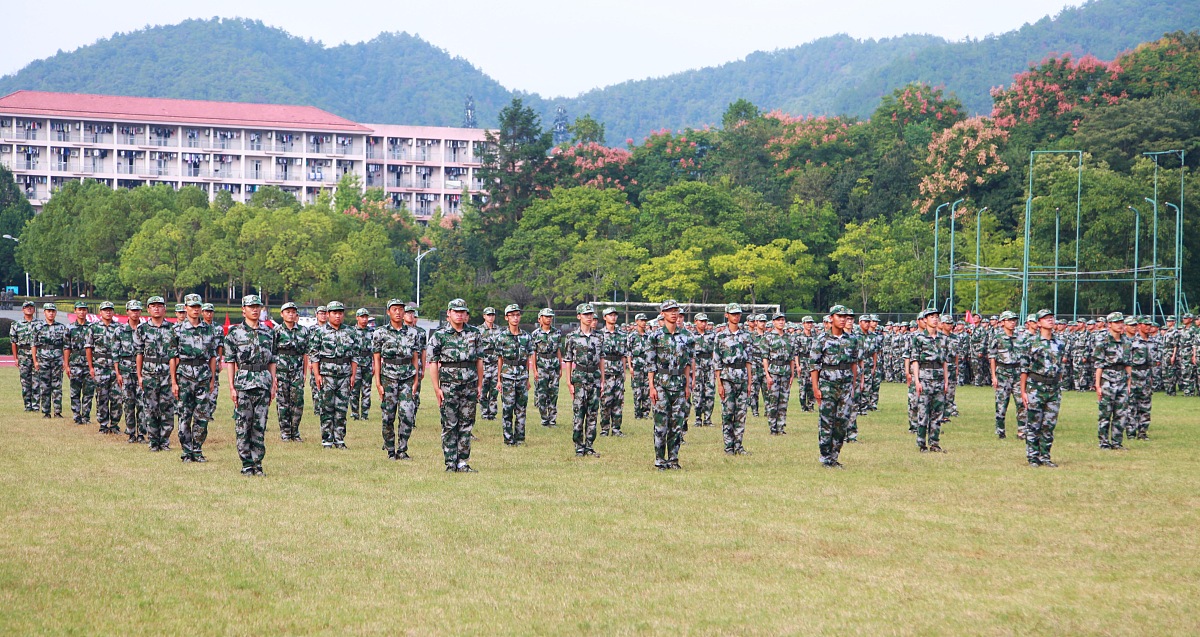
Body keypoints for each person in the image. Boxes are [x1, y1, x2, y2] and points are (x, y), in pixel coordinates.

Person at [223, 295, 277, 476]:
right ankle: (246, 464)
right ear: (243, 310)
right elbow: (230, 361)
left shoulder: (268, 333)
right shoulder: (234, 333)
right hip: (244, 384)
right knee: (243, 425)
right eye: (251, 307)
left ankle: (257, 463)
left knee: (259, 425)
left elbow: (272, 361)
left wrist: (273, 383)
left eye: (257, 306)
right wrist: (231, 386)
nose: (255, 310)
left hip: (263, 382)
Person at [429, 298, 485, 472]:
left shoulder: (474, 333)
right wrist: (437, 388)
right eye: (456, 311)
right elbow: (432, 362)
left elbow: (479, 360)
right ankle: (450, 463)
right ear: (449, 313)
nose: (459, 315)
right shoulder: (439, 335)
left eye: (462, 312)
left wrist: (480, 385)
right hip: (448, 385)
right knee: (449, 425)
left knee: (466, 424)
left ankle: (462, 462)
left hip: (469, 384)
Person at [171, 294, 220, 462]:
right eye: (192, 307)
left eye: (198, 306)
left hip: (203, 375)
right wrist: (173, 381)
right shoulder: (177, 330)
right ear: (186, 308)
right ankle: (186, 452)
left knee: (202, 416)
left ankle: (197, 450)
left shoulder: (209, 329)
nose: (196, 309)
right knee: (184, 415)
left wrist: (212, 379)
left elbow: (213, 356)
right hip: (184, 375)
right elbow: (173, 357)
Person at [647, 299, 693, 470]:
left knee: (677, 424)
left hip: (680, 383)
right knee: (661, 424)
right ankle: (660, 459)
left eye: (676, 310)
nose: (674, 313)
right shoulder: (655, 336)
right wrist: (651, 386)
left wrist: (687, 385)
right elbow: (651, 364)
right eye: (670, 310)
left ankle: (673, 459)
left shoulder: (687, 337)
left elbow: (687, 363)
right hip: (661, 384)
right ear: (663, 314)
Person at [810, 305, 858, 468]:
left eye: (845, 316)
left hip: (845, 386)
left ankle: (834, 456)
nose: (843, 319)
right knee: (826, 421)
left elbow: (853, 364)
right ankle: (825, 457)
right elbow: (814, 365)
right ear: (831, 318)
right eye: (840, 316)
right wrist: (816, 388)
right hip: (828, 385)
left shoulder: (852, 339)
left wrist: (853, 385)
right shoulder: (821, 339)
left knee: (842, 422)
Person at [373, 299, 421, 460]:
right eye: (395, 309)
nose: (398, 312)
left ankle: (402, 449)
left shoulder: (412, 333)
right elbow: (377, 359)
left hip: (407, 376)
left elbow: (415, 357)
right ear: (388, 312)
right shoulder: (380, 333)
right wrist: (378, 383)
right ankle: (390, 449)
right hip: (388, 377)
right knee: (388, 416)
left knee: (407, 414)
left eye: (401, 309)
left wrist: (416, 380)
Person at [311, 301, 359, 449]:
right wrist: (317, 375)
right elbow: (314, 355)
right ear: (328, 314)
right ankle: (326, 439)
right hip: (327, 375)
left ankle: (339, 439)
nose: (337, 316)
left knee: (342, 408)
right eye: (334, 313)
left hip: (344, 375)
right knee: (326, 408)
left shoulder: (350, 332)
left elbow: (355, 355)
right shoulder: (319, 332)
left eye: (340, 313)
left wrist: (353, 375)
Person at [1020, 309, 1064, 467]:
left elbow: (1060, 367)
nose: (1050, 320)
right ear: (1038, 323)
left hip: (1053, 388)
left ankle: (1045, 456)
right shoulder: (1030, 343)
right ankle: (1033, 457)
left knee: (1049, 424)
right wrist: (1023, 392)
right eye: (1045, 318)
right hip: (1035, 387)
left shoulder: (1059, 343)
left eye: (1051, 317)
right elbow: (1024, 369)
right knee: (1034, 423)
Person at [136, 296, 177, 452]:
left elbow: (174, 355)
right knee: (150, 408)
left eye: (160, 306)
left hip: (167, 373)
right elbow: (139, 353)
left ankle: (165, 441)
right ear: (148, 309)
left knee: (167, 409)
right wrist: (139, 375)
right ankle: (153, 441)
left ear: (164, 309)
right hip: (149, 373)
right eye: (153, 306)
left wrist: (174, 378)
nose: (157, 308)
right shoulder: (142, 329)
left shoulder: (172, 329)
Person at [563, 303, 603, 457]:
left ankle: (590, 446)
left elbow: (601, 360)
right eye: (585, 314)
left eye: (590, 314)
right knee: (579, 412)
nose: (589, 317)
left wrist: (603, 380)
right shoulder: (572, 337)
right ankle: (579, 446)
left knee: (593, 413)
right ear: (578, 316)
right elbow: (568, 360)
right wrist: (569, 381)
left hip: (594, 377)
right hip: (579, 378)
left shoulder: (599, 337)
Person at [715, 303, 753, 455]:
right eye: (733, 314)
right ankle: (728, 446)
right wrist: (719, 384)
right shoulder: (720, 336)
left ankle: (738, 445)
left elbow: (749, 361)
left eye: (738, 314)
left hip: (742, 376)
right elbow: (717, 362)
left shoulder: (746, 336)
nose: (736, 316)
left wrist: (750, 382)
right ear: (727, 315)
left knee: (741, 413)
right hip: (727, 377)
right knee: (728, 412)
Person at [910, 308, 949, 453]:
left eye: (936, 317)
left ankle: (934, 443)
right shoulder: (918, 338)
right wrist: (917, 381)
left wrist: (946, 380)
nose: (935, 319)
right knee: (923, 412)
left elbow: (945, 361)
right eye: (931, 317)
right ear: (925, 320)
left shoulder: (943, 338)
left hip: (938, 376)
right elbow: (915, 361)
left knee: (937, 413)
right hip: (924, 377)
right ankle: (921, 443)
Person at [495, 304, 533, 446]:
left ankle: (520, 437)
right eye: (512, 315)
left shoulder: (526, 337)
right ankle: (508, 438)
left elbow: (528, 358)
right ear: (506, 318)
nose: (515, 318)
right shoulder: (502, 337)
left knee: (521, 408)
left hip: (522, 376)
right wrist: (499, 379)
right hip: (507, 376)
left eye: (517, 315)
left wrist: (528, 378)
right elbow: (499, 359)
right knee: (507, 408)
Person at [1093, 311, 1132, 450]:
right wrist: (1098, 385)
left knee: (1121, 413)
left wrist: (1129, 383)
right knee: (1105, 413)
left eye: (1121, 322)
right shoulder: (1103, 341)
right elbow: (1099, 364)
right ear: (1109, 324)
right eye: (1117, 322)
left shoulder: (1126, 341)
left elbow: (1128, 364)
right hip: (1107, 379)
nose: (1120, 325)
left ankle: (1117, 442)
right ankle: (1103, 442)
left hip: (1121, 378)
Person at [273, 302, 309, 442]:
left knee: (297, 402)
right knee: (283, 402)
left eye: (293, 312)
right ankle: (285, 432)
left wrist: (305, 373)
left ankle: (295, 431)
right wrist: (274, 375)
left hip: (297, 372)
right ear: (282, 314)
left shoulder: (303, 331)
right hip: (281, 372)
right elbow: (272, 354)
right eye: (288, 312)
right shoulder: (276, 332)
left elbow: (305, 353)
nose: (291, 314)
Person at [86, 301, 122, 434]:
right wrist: (91, 367)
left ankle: (115, 424)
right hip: (100, 367)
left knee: (117, 397)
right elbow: (89, 348)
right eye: (105, 310)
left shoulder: (119, 328)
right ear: (100, 312)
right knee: (102, 396)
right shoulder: (93, 328)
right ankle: (103, 424)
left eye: (110, 310)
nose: (108, 312)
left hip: (115, 367)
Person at [988, 311, 1024, 440]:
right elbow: (992, 357)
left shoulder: (1020, 337)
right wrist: (994, 376)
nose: (1012, 322)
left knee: (1021, 402)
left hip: (1017, 373)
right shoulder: (997, 337)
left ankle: (1022, 431)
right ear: (1002, 322)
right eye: (1009, 320)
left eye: (1014, 320)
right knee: (1002, 403)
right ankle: (1000, 430)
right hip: (1003, 373)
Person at [762, 312, 798, 435]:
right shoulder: (768, 337)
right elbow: (765, 358)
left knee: (783, 401)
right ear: (773, 322)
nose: (781, 322)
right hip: (774, 372)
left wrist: (792, 374)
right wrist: (767, 375)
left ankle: (781, 427)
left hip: (786, 371)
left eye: (782, 320)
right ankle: (773, 427)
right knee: (773, 400)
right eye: (778, 320)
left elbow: (792, 357)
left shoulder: (789, 337)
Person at [113, 300, 144, 442]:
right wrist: (118, 373)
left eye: (137, 310)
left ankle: (142, 433)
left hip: (142, 371)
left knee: (142, 403)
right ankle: (131, 432)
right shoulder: (120, 330)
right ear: (127, 312)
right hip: (125, 371)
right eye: (132, 310)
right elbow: (115, 353)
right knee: (128, 402)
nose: (135, 313)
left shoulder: (144, 329)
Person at [33, 303, 68, 418]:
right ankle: (46, 412)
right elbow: (34, 345)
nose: (51, 313)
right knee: (44, 386)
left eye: (53, 311)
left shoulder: (62, 327)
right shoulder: (38, 327)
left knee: (57, 386)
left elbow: (66, 346)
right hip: (43, 359)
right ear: (44, 313)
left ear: (55, 313)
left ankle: (57, 411)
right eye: (49, 311)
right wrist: (35, 361)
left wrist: (65, 361)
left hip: (57, 359)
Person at [598, 306, 628, 437]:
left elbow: (623, 355)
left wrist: (624, 372)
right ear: (604, 317)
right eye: (610, 315)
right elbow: (599, 356)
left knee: (618, 401)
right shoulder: (599, 335)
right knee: (605, 401)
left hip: (618, 371)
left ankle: (616, 428)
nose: (613, 317)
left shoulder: (622, 335)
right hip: (606, 372)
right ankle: (605, 428)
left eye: (615, 315)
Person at [531, 308, 564, 428]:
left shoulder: (557, 333)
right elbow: (533, 353)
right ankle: (544, 419)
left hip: (554, 366)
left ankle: (552, 420)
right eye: (546, 316)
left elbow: (559, 351)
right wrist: (534, 370)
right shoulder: (535, 334)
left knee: (554, 394)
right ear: (540, 318)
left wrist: (560, 367)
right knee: (542, 394)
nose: (549, 318)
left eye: (550, 316)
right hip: (541, 367)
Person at [65, 302, 96, 425]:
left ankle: (86, 416)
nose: (82, 312)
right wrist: (66, 364)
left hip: (89, 364)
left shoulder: (92, 327)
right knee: (75, 391)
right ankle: (76, 415)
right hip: (75, 363)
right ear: (75, 311)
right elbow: (67, 347)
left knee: (88, 392)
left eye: (84, 309)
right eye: (79, 309)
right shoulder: (70, 328)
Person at [1127, 316, 1155, 441]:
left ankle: (1143, 432)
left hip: (1146, 376)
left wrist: (1151, 378)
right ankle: (1131, 432)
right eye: (1145, 324)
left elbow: (1152, 363)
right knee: (1131, 406)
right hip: (1134, 376)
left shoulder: (1152, 342)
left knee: (1145, 406)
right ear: (1139, 325)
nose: (1148, 327)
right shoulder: (1132, 341)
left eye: (1149, 324)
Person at [10, 300, 39, 411]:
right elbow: (13, 342)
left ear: (34, 309)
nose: (29, 309)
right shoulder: (16, 325)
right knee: (25, 381)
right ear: (23, 310)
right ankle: (27, 405)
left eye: (31, 307)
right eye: (27, 307)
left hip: (36, 355)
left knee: (36, 380)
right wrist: (15, 358)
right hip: (23, 355)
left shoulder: (39, 324)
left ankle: (36, 405)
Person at [691, 313, 717, 428]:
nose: (703, 323)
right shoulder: (691, 336)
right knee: (697, 392)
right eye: (701, 321)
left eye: (705, 321)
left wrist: (715, 368)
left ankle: (707, 418)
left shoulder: (712, 336)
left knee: (710, 393)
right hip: (696, 365)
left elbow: (714, 353)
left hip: (709, 365)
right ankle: (697, 417)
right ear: (695, 321)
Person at [349, 308, 375, 421]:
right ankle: (355, 413)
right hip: (356, 364)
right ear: (357, 317)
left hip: (368, 364)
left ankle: (365, 414)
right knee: (354, 390)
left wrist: (374, 364)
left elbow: (375, 350)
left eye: (366, 317)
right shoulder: (351, 332)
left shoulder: (372, 332)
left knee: (367, 390)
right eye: (362, 317)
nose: (364, 319)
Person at [627, 313, 653, 419]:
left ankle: (646, 413)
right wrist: (630, 366)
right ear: (636, 321)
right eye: (641, 320)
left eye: (645, 320)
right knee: (637, 390)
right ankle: (637, 413)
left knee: (647, 390)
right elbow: (628, 352)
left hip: (647, 365)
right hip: (636, 365)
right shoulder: (632, 336)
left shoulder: (649, 336)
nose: (644, 322)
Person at [478, 307, 502, 421]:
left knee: (494, 390)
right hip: (484, 363)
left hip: (495, 363)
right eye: (488, 315)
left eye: (492, 315)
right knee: (483, 389)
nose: (491, 317)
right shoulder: (479, 330)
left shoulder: (499, 330)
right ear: (484, 316)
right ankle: (484, 413)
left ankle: (492, 413)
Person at [200, 303, 222, 425]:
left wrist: (219, 360)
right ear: (202, 313)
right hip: (202, 361)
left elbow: (220, 346)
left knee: (214, 387)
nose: (209, 314)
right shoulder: (200, 327)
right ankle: (202, 411)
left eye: (211, 311)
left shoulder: (218, 328)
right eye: (206, 311)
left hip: (214, 360)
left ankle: (210, 412)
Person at [310, 306, 328, 417]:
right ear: (316, 315)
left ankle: (325, 408)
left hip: (327, 361)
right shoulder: (312, 329)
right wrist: (309, 361)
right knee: (315, 384)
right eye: (321, 313)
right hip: (315, 360)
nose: (323, 315)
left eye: (325, 313)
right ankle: (317, 409)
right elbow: (309, 347)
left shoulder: (330, 329)